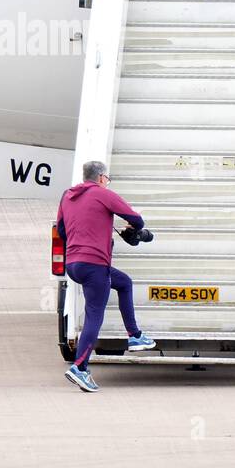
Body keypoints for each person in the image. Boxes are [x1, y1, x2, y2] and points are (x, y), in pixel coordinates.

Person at [56, 161, 156, 392]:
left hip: (74, 263)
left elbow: (62, 231)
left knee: (123, 283)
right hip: (94, 265)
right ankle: (80, 368)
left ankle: (135, 335)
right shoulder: (103, 194)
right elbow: (137, 219)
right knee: (94, 316)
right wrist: (131, 229)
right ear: (101, 177)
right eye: (107, 178)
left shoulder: (67, 196)